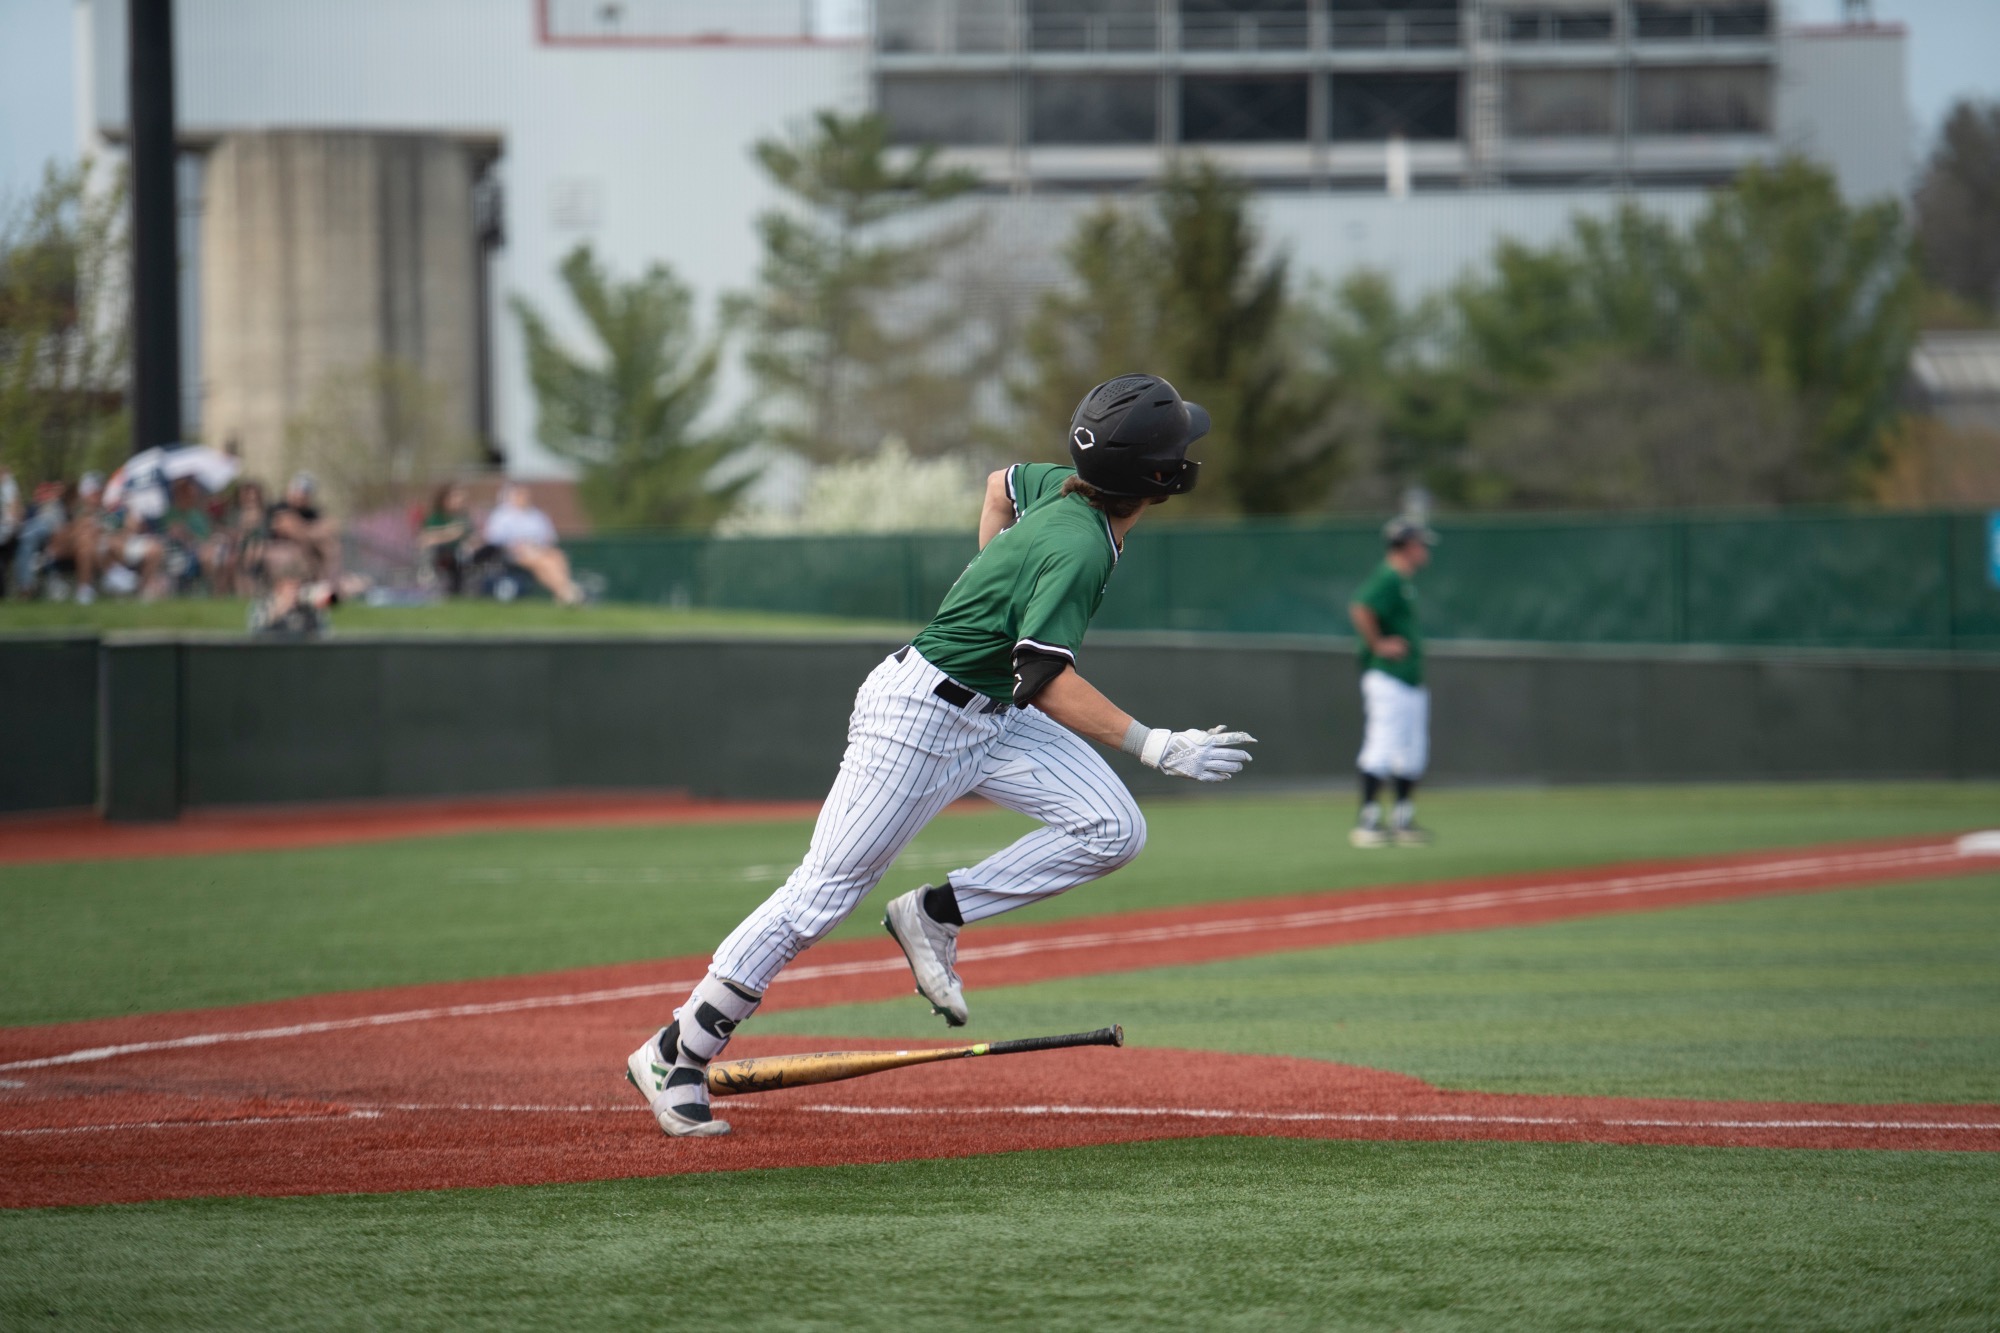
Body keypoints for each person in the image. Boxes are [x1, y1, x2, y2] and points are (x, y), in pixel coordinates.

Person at [624, 373, 1257, 1138]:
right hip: (919, 720)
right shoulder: (1079, 546)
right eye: (1179, 444)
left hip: (992, 714)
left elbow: (999, 485)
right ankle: (678, 1048)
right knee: (819, 896)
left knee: (1112, 828)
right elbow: (1047, 679)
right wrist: (1155, 744)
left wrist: (991, 573)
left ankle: (935, 912)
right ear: (1161, 477)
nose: (1189, 446)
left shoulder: (1069, 486)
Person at [1347, 516, 1437, 848]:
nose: (1425, 550)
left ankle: (1402, 819)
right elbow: (1361, 607)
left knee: (1412, 750)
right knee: (1382, 745)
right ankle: (1368, 820)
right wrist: (1378, 644)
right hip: (1388, 676)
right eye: (1421, 544)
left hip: (1408, 678)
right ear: (1409, 545)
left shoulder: (1402, 579)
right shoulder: (1387, 576)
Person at [481, 483, 582, 605]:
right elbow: (494, 538)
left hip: (538, 551)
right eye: (520, 495)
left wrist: (537, 546)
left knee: (556, 556)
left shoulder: (537, 515)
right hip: (512, 555)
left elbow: (548, 537)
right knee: (543, 563)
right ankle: (567, 591)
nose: (524, 498)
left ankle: (564, 593)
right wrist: (516, 546)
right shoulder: (502, 516)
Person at [418, 482, 475, 594]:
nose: (459, 501)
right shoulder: (435, 517)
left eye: (461, 498)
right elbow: (425, 540)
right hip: (441, 555)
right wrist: (450, 534)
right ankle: (429, 586)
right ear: (445, 499)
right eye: (455, 497)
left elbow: (470, 538)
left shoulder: (464, 518)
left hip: (460, 556)